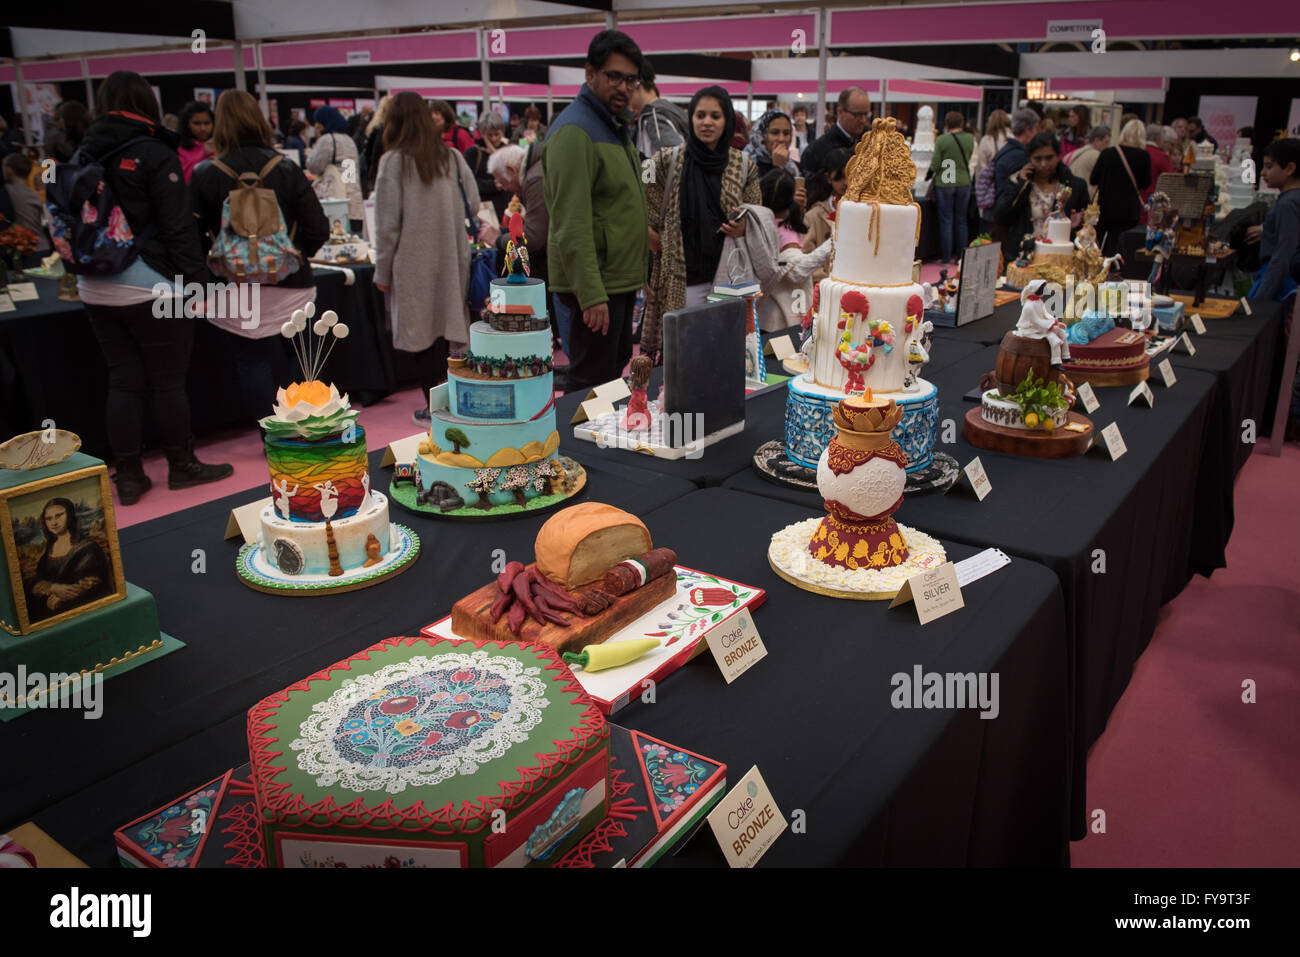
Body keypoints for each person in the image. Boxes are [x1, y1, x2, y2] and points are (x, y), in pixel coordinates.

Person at [75, 71, 232, 504]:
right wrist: (199, 285)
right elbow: (179, 229)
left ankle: (127, 474)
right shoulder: (154, 152)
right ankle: (182, 465)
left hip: (94, 283)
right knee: (167, 381)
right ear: (146, 101)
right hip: (154, 286)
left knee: (123, 380)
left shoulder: (83, 151)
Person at [190, 90, 329, 420]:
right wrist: (293, 258)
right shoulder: (286, 168)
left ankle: (271, 435)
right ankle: (310, 425)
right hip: (291, 284)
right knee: (301, 356)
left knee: (251, 360)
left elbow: (190, 238)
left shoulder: (203, 174)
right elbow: (318, 228)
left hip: (235, 286)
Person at [543, 29, 649, 393]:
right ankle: (575, 449)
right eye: (614, 76)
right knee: (589, 383)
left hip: (616, 281)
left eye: (631, 79)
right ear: (590, 73)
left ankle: (595, 445)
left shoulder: (612, 126)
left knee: (607, 377)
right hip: (596, 286)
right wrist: (590, 295)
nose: (623, 87)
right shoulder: (576, 131)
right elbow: (570, 225)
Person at [372, 92, 479, 424]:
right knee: (448, 331)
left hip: (413, 261)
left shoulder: (393, 162)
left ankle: (433, 406)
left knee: (421, 334)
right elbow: (473, 205)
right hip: (451, 258)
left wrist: (382, 272)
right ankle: (451, 402)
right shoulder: (451, 157)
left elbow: (387, 227)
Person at [641, 85, 759, 361]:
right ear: (691, 118)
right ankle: (685, 405)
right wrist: (657, 242)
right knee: (684, 354)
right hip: (683, 279)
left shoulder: (744, 165)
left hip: (730, 277)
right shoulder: (664, 161)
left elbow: (758, 214)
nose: (707, 122)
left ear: (727, 120)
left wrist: (745, 226)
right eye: (701, 115)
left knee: (724, 354)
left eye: (715, 116)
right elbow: (644, 212)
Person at [1245, 138, 1300, 438]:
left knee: (1276, 354)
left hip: (1281, 287)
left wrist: (1262, 299)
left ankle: (1274, 421)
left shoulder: (1290, 202)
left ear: (1290, 168)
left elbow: (1284, 255)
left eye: (1268, 166)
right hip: (1279, 281)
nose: (1263, 173)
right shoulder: (1289, 201)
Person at [751, 168, 832, 333]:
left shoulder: (754, 225)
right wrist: (834, 242)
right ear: (789, 199)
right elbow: (797, 271)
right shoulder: (784, 230)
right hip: (783, 322)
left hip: (763, 317)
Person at [993, 132, 1089, 262]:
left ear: (1058, 156)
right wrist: (1022, 186)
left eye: (1049, 158)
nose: (1043, 164)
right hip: (1023, 257)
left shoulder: (1076, 185)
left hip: (1060, 260)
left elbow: (1087, 229)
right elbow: (1001, 217)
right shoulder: (1017, 181)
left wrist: (1075, 225)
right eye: (1037, 159)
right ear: (1029, 158)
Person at [24, 498, 113, 623]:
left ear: (70, 515)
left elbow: (94, 581)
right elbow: (37, 581)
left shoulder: (88, 547)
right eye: (48, 519)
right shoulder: (47, 551)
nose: (54, 522)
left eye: (59, 515)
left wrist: (64, 597)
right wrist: (52, 588)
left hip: (86, 610)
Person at [1090, 119, 1153, 256]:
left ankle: (1094, 268)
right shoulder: (1143, 156)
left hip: (1104, 207)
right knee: (1118, 245)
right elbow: (1145, 184)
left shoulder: (1108, 153)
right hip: (1128, 210)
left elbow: (1093, 179)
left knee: (1097, 241)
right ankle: (1114, 269)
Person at [308, 105, 364, 233]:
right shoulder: (349, 140)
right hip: (353, 202)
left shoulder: (327, 140)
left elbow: (313, 166)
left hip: (334, 202)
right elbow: (349, 173)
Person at [930, 110, 975, 264]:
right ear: (961, 123)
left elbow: (935, 165)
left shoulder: (942, 140)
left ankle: (946, 256)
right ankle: (961, 257)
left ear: (947, 124)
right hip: (963, 182)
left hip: (945, 182)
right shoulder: (970, 139)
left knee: (946, 220)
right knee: (961, 220)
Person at [800, 86, 871, 178]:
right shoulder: (816, 151)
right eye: (857, 115)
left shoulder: (872, 140)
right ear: (840, 112)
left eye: (866, 114)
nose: (863, 120)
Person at [802, 146, 849, 283]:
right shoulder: (814, 215)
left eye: (850, 176)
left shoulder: (867, 212)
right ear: (828, 178)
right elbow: (807, 258)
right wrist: (827, 283)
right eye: (839, 177)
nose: (846, 183)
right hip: (826, 289)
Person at [629, 59, 688, 159]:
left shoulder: (653, 117)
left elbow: (676, 158)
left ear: (637, 84)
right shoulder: (670, 109)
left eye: (628, 83)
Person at [3, 153, 53, 261]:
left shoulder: (8, 192)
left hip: (26, 249)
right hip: (43, 246)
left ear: (9, 170)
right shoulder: (34, 193)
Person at [992, 107, 1041, 212]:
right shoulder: (1020, 156)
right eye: (1036, 129)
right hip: (1007, 216)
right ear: (1028, 130)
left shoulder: (1006, 149)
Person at [465, 110, 511, 221]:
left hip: (507, 211)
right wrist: (492, 185)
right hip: (484, 212)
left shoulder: (509, 150)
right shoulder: (473, 153)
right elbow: (468, 183)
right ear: (483, 133)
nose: (494, 138)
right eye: (490, 135)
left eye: (497, 134)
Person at [743, 109, 803, 187]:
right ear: (761, 135)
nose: (781, 139)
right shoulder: (745, 164)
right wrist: (777, 168)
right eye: (775, 133)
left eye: (786, 133)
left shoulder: (793, 167)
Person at [1067, 125, 1110, 200]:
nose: (1108, 146)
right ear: (1097, 140)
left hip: (1067, 195)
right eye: (1106, 142)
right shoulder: (1097, 156)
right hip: (1084, 199)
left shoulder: (1070, 154)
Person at [176, 100, 215, 183]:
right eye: (197, 123)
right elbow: (185, 178)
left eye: (207, 123)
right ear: (187, 124)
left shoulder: (221, 145)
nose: (203, 128)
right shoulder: (179, 149)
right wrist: (203, 154)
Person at [1141, 124, 1175, 218]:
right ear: (1158, 139)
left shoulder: (1138, 151)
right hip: (1152, 202)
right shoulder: (1162, 157)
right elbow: (1171, 181)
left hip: (1135, 201)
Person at [362, 95, 393, 196]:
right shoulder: (383, 131)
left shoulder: (373, 128)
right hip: (384, 174)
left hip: (376, 176)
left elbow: (369, 156)